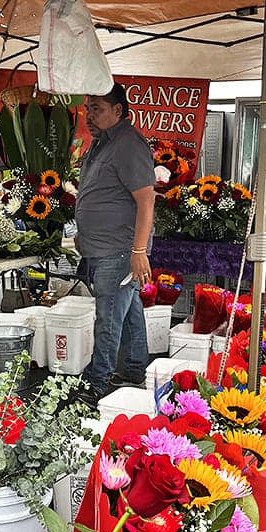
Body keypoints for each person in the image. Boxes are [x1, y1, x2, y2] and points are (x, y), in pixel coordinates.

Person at [74, 83, 155, 406]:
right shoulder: (102, 143)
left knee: (107, 316)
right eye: (88, 108)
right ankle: (135, 369)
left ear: (118, 111)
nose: (89, 115)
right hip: (103, 247)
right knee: (130, 311)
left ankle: (98, 382)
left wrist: (138, 252)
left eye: (97, 109)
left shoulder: (127, 145)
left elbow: (146, 201)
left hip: (119, 250)